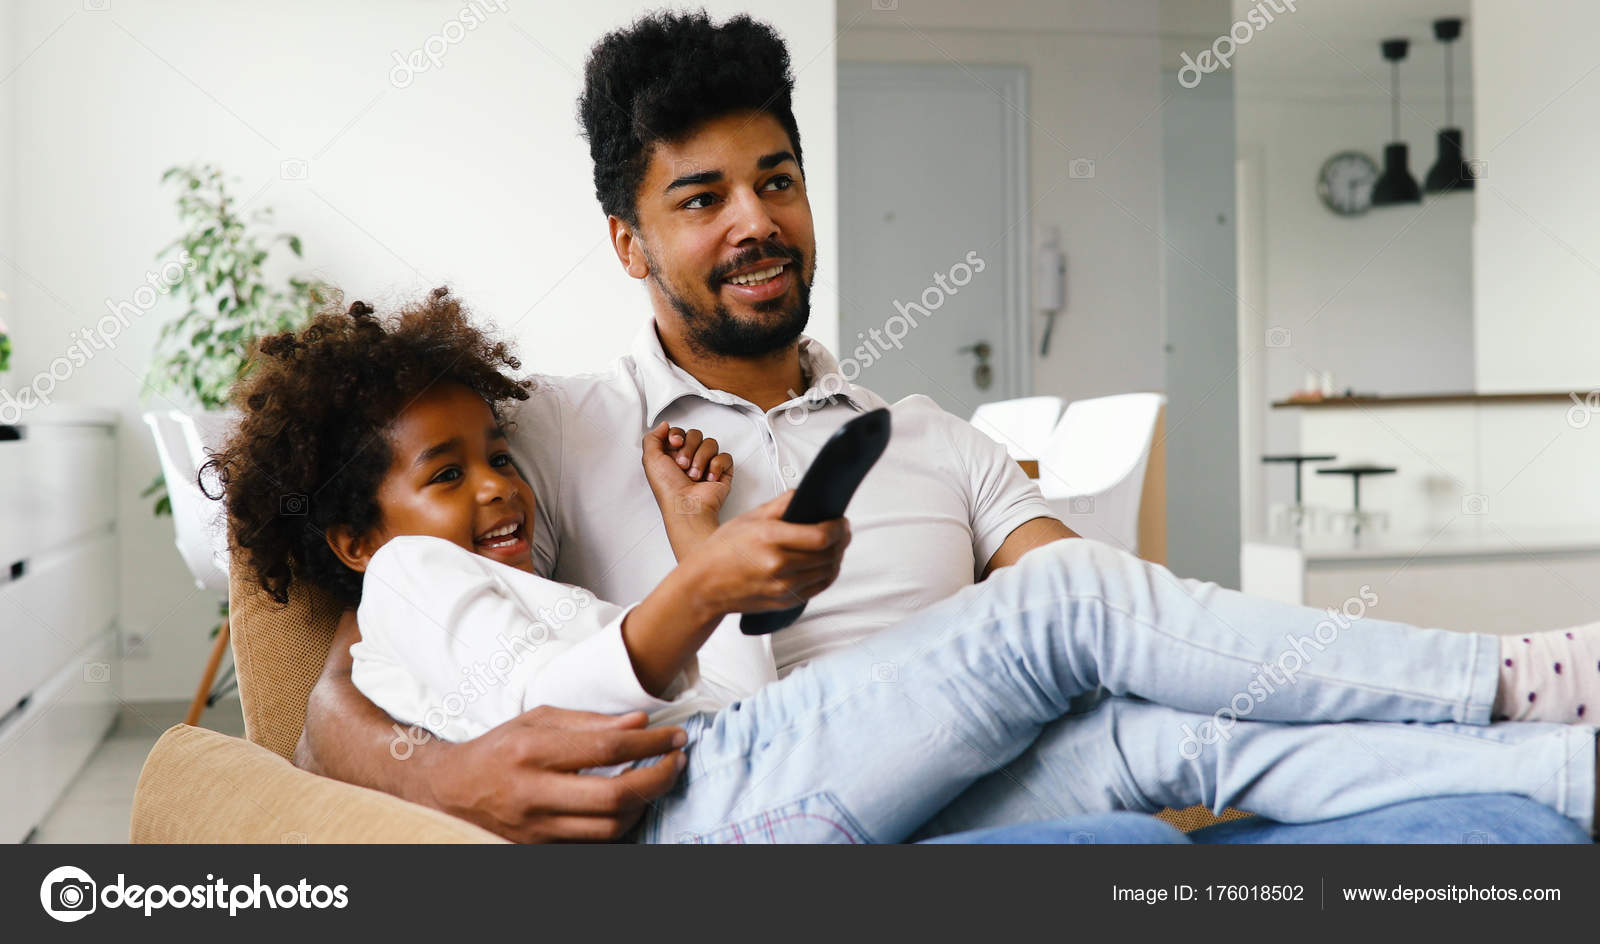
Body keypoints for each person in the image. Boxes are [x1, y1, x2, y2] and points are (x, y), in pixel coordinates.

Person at [291, 11, 1596, 843]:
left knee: (1428, 821)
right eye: (701, 198)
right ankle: (1519, 676)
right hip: (760, 812)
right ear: (629, 242)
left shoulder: (932, 439)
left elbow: (1113, 621)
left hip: (978, 802)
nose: (755, 220)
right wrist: (433, 779)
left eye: (778, 180)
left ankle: (1554, 771)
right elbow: (361, 650)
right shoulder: (541, 437)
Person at [212, 289, 1599, 844]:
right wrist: (691, 591)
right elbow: (543, 709)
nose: (498, 485)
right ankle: (1514, 674)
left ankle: (1562, 774)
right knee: (1060, 606)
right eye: (447, 475)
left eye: (493, 456)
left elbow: (712, 707)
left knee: (1151, 737)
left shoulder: (532, 568)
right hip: (711, 813)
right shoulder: (405, 583)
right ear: (356, 533)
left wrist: (698, 563)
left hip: (762, 782)